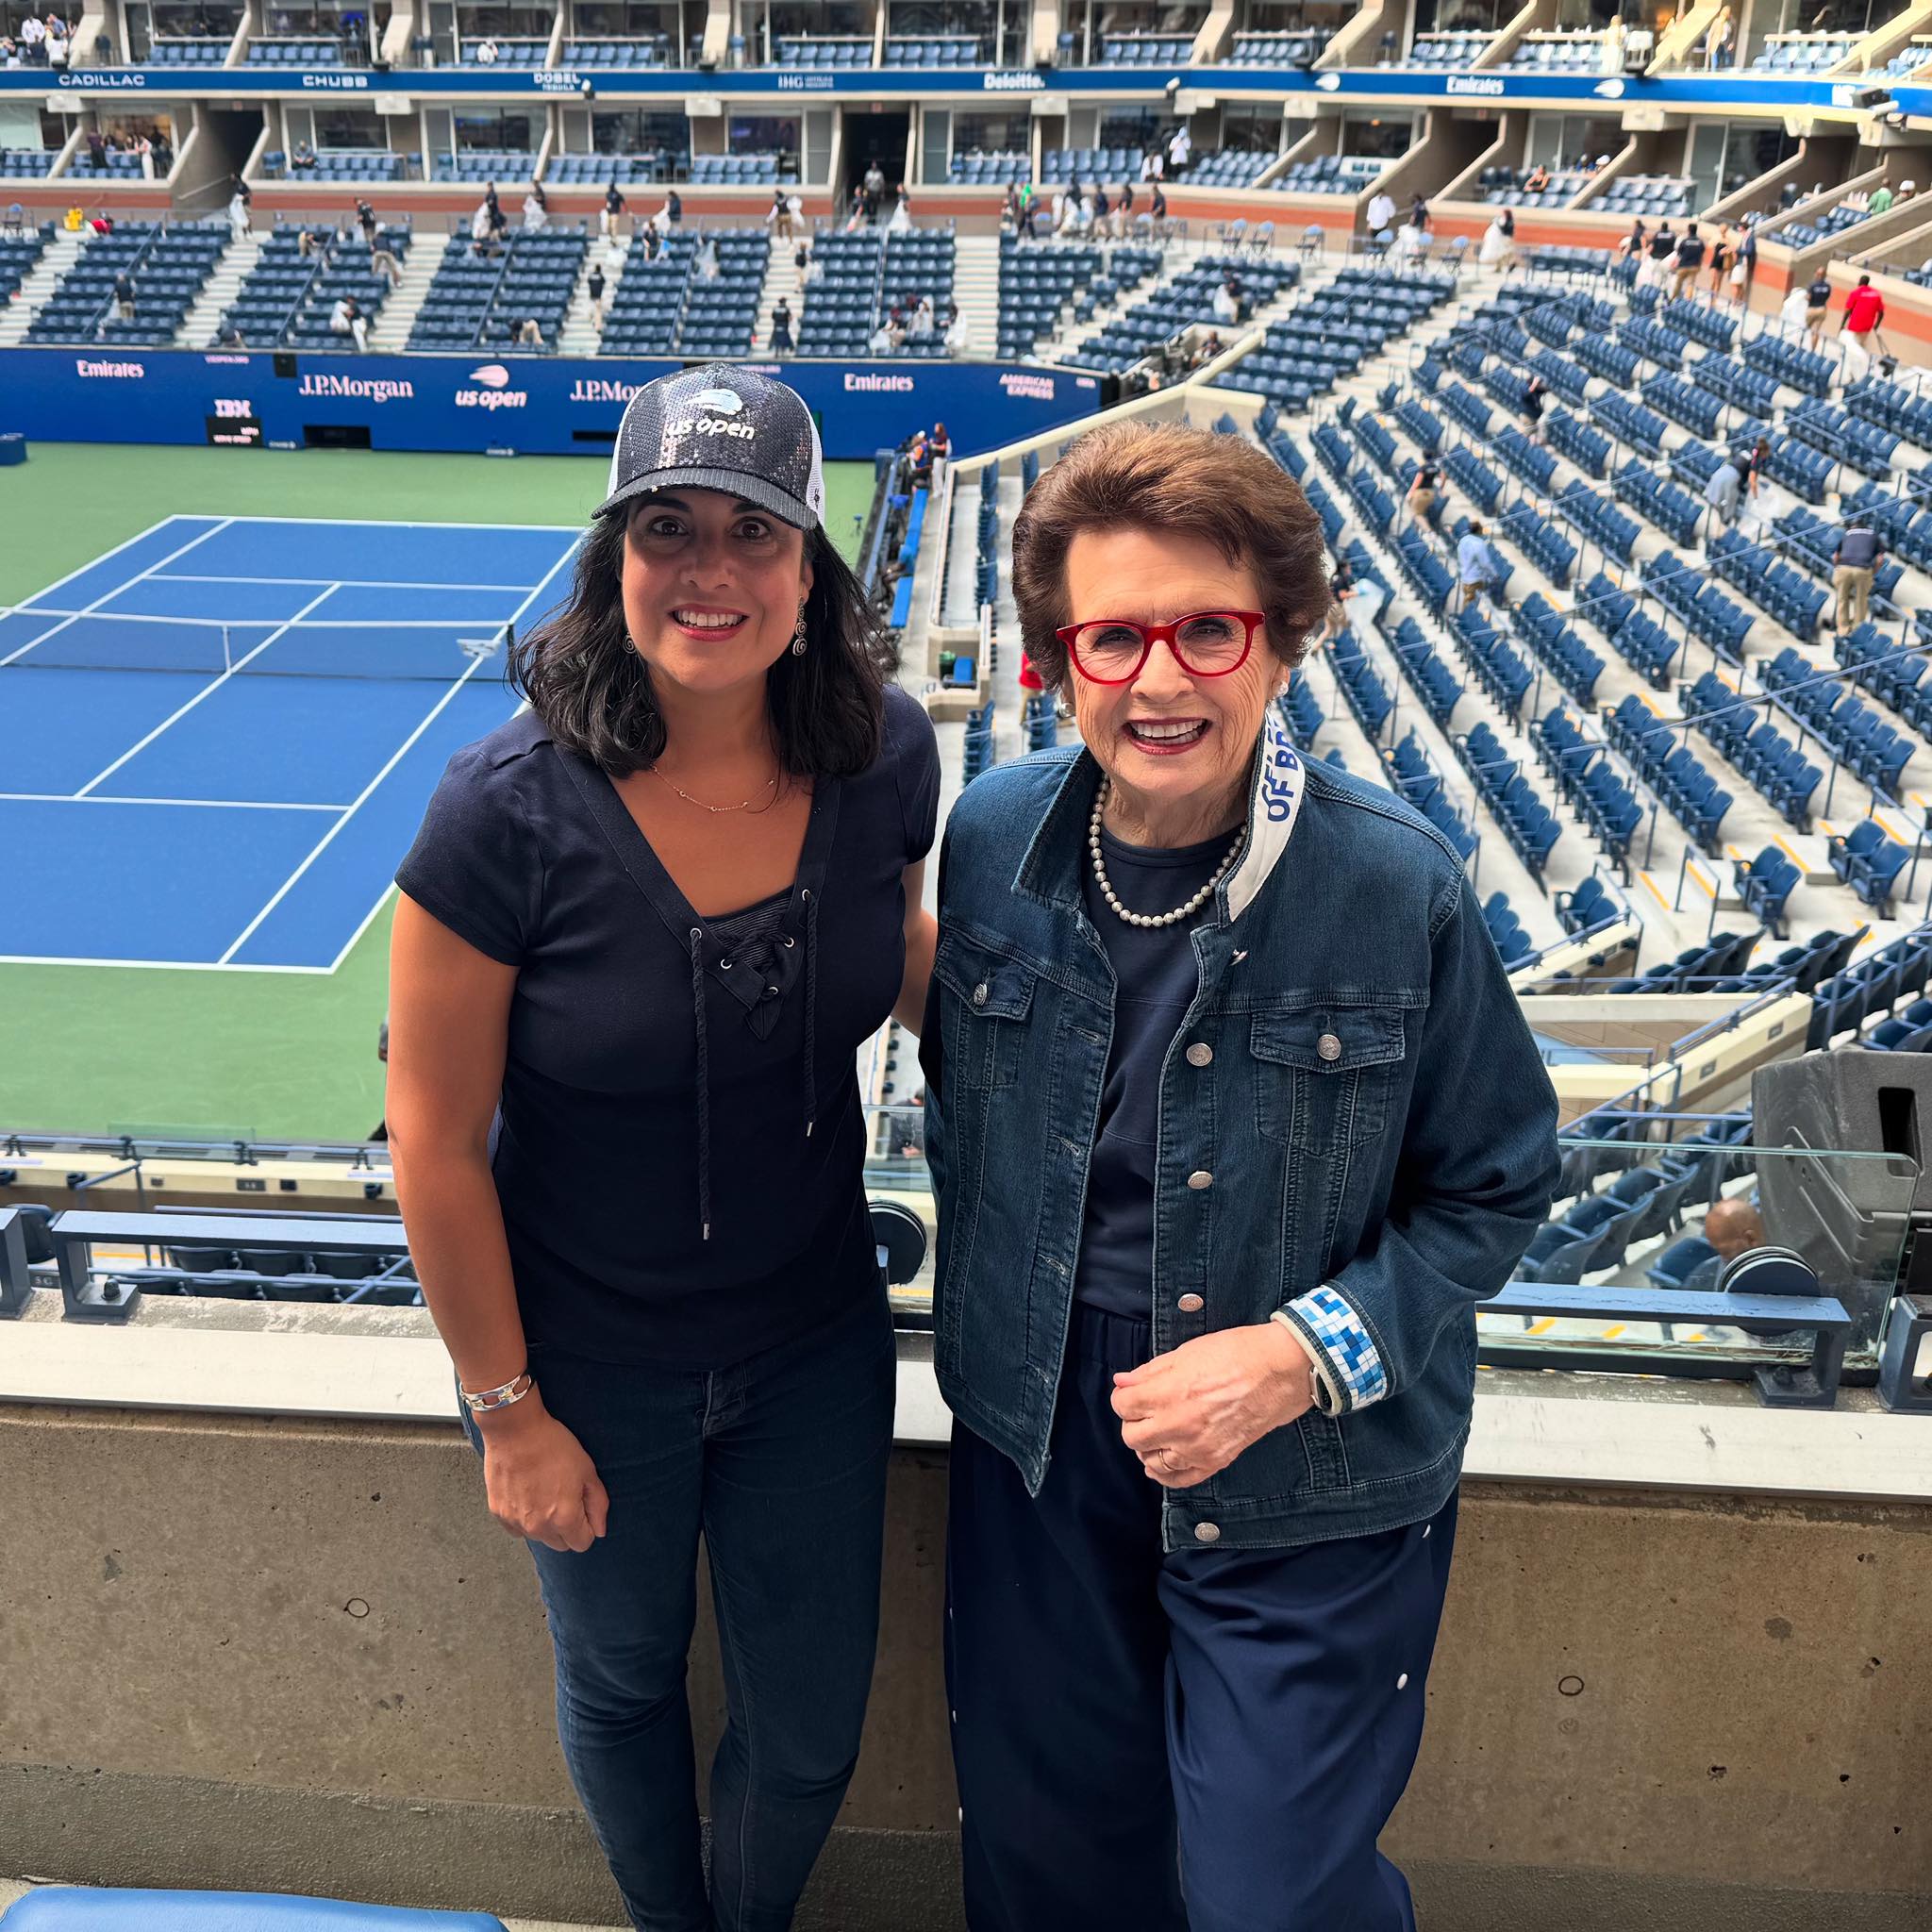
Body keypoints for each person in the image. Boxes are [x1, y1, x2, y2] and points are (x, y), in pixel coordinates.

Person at [924, 418, 1559, 1932]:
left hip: (1308, 1465)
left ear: (1278, 645)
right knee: (1045, 1864)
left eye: (1209, 631)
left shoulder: (1394, 882)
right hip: (1037, 1439)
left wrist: (1297, 1356)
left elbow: (1496, 1184)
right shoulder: (993, 834)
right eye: (1115, 636)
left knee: (1277, 1898)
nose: (1160, 680)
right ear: (1055, 660)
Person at [391, 363, 939, 1932]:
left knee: (814, 1720)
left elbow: (894, 944)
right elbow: (432, 1138)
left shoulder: (881, 755)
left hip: (812, 1344)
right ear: (611, 554)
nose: (709, 573)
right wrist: (507, 1412)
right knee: (624, 1681)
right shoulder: (498, 812)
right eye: (666, 530)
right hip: (585, 1363)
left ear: (810, 560)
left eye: (751, 535)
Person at [1833, 518, 1886, 636]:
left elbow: (1835, 556)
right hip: (1863, 568)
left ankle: (1842, 629)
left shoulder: (1847, 534)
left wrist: (1837, 568)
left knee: (1842, 598)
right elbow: (1880, 559)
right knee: (1861, 599)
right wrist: (1873, 572)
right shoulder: (1874, 535)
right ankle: (1857, 629)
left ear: (1853, 526)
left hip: (1844, 567)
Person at [1455, 519, 1503, 615]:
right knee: (1471, 603)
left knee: (1469, 599)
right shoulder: (1479, 544)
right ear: (1478, 530)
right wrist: (1495, 575)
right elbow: (1485, 563)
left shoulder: (1464, 540)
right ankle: (1465, 618)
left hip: (1464, 576)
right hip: (1475, 578)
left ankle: (1465, 617)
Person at [1844, 272, 1885, 357]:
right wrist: (1877, 324)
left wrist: (1842, 324)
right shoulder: (1876, 294)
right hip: (1867, 326)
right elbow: (1881, 312)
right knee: (1860, 344)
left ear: (1860, 282)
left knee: (1852, 347)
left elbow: (1848, 310)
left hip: (1854, 324)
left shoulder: (1856, 293)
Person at [1704, 451, 1742, 538]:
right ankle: (1720, 528)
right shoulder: (1727, 471)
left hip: (1724, 487)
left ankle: (1722, 526)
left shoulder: (1727, 471)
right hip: (1719, 493)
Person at [1670, 221, 1706, 301]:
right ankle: (1687, 301)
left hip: (1683, 266)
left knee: (1678, 283)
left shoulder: (1685, 241)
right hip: (1694, 266)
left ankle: (1673, 299)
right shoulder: (1700, 242)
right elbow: (1702, 251)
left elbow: (1679, 253)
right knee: (1690, 284)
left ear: (1689, 230)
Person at [1479, 208, 1516, 275]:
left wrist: (1498, 223)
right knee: (1500, 253)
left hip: (1505, 238)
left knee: (1506, 252)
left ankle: (1512, 263)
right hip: (1503, 238)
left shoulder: (1509, 221)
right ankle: (1499, 267)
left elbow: (1504, 230)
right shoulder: (1506, 220)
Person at [1805, 265, 1833, 344]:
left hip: (1812, 309)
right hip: (1822, 309)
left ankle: (1800, 345)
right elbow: (1827, 297)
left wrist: (1805, 297)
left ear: (1817, 274)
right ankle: (1812, 350)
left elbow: (1808, 297)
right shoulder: (1828, 286)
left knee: (1805, 328)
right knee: (1815, 331)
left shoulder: (1813, 285)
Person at [1407, 461, 1440, 527]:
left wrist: (1410, 493)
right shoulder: (1435, 467)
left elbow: (1417, 482)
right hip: (1430, 492)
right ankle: (1417, 527)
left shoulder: (1423, 468)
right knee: (1421, 512)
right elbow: (1442, 475)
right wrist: (1441, 487)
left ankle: (1429, 531)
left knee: (1416, 514)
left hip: (1421, 493)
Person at [1522, 372, 1547, 443]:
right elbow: (1526, 395)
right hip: (1528, 417)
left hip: (1535, 417)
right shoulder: (1524, 388)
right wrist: (1534, 384)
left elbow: (1545, 390)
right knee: (1527, 436)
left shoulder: (1536, 390)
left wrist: (1541, 384)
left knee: (1534, 435)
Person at [226, 175, 251, 242]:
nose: (231, 179)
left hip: (244, 204)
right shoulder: (233, 186)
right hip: (236, 206)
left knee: (246, 219)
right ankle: (241, 234)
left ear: (236, 178)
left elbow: (249, 193)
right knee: (238, 220)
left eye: (232, 177)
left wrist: (243, 197)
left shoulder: (242, 185)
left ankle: (248, 233)